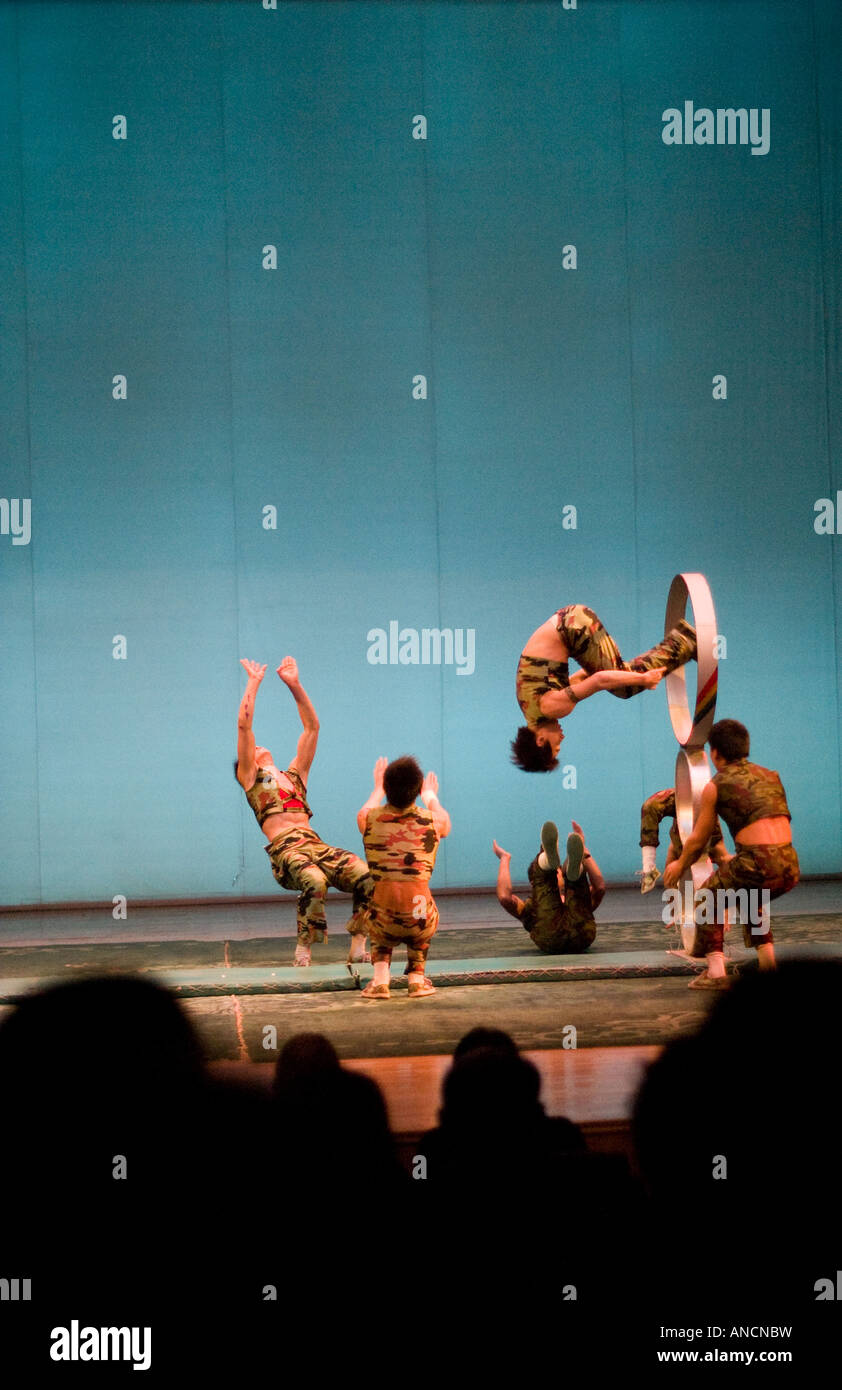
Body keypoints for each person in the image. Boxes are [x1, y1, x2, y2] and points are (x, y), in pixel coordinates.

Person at [235, 656, 372, 967]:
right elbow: (244, 725)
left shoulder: (295, 776)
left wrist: (294, 685)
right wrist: (254, 684)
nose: (258, 746)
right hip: (287, 850)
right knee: (314, 881)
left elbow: (312, 727)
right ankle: (304, 946)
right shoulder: (251, 779)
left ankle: (358, 944)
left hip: (315, 844)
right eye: (253, 749)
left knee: (365, 875)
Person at [663, 719, 799, 988]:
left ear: (715, 754)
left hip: (757, 863)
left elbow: (698, 840)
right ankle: (768, 964)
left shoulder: (716, 785)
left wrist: (678, 866)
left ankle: (715, 973)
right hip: (791, 866)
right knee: (748, 893)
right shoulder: (772, 776)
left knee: (706, 898)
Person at [512, 603, 697, 772]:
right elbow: (587, 677)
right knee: (623, 677)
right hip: (570, 622)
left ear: (540, 740)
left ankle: (685, 642)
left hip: (574, 626)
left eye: (557, 746)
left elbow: (600, 680)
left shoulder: (551, 708)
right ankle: (681, 642)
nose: (562, 739)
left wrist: (644, 680)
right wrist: (630, 676)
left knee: (625, 687)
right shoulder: (532, 708)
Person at [355, 755, 451, 1000]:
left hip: (383, 919)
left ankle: (380, 981)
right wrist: (430, 795)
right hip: (420, 918)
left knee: (377, 912)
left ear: (387, 789)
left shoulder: (369, 819)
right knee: (421, 920)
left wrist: (377, 787)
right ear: (417, 790)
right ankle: (416, 981)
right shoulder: (433, 820)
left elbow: (365, 809)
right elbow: (445, 821)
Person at [492, 820, 604, 953]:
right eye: (557, 871)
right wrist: (505, 858)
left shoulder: (579, 899)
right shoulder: (532, 907)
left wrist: (584, 853)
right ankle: (548, 863)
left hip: (571, 935)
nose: (558, 874)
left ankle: (568, 865)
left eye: (557, 871)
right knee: (556, 882)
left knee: (575, 883)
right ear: (533, 884)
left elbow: (600, 887)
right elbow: (505, 898)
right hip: (573, 936)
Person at [637, 786, 730, 893]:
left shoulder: (713, 844)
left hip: (701, 809)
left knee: (721, 860)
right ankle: (649, 868)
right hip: (690, 794)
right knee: (650, 807)